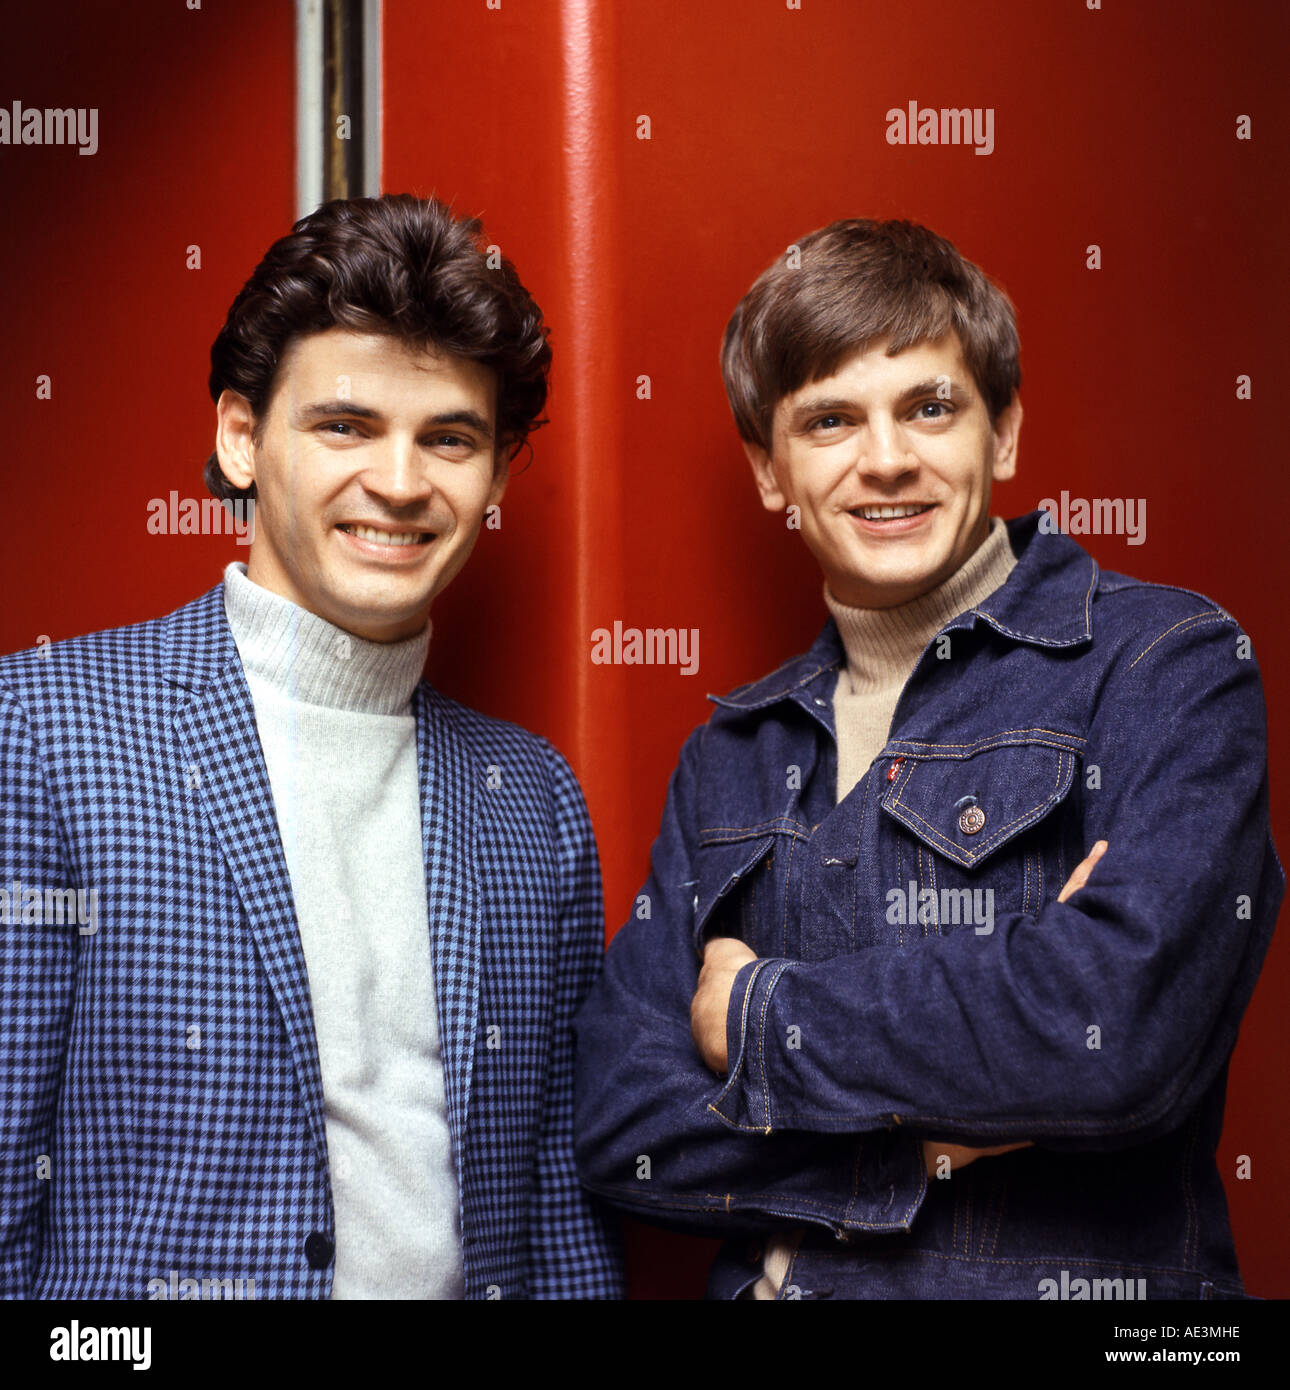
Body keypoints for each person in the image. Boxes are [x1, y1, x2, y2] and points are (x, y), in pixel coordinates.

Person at [573, 218, 1281, 1300]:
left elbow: (1113, 1034)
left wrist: (752, 1014)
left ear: (1001, 434)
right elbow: (625, 1121)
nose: (888, 457)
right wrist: (921, 1151)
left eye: (929, 407)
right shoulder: (734, 749)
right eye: (830, 420)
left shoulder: (1164, 666)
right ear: (771, 470)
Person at [0, 194, 621, 1300]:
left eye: (450, 439)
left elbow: (552, 1209)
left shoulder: (534, 797)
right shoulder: (45, 729)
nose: (397, 480)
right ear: (241, 437)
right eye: (344, 425)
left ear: (497, 480)